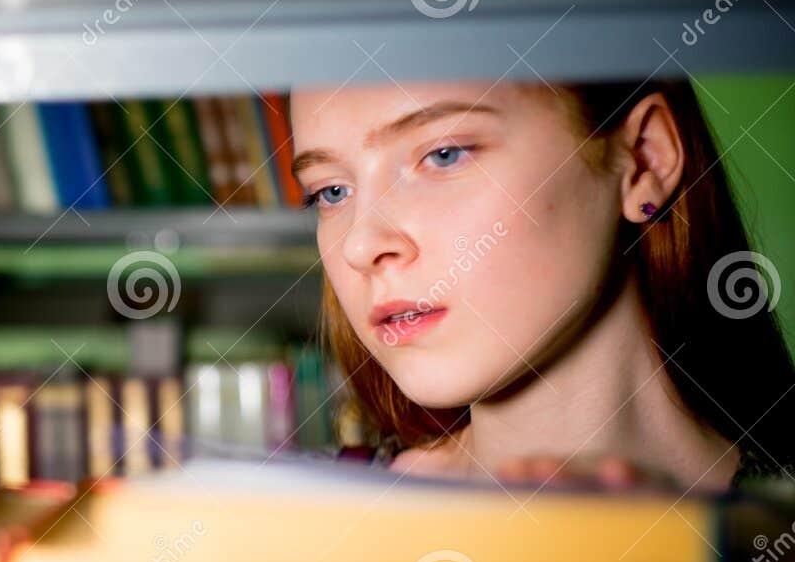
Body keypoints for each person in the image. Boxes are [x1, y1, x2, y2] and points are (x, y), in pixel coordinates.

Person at [288, 79, 795, 492]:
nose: (360, 245)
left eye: (444, 155)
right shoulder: (297, 523)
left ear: (644, 159)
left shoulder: (774, 556)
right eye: (331, 191)